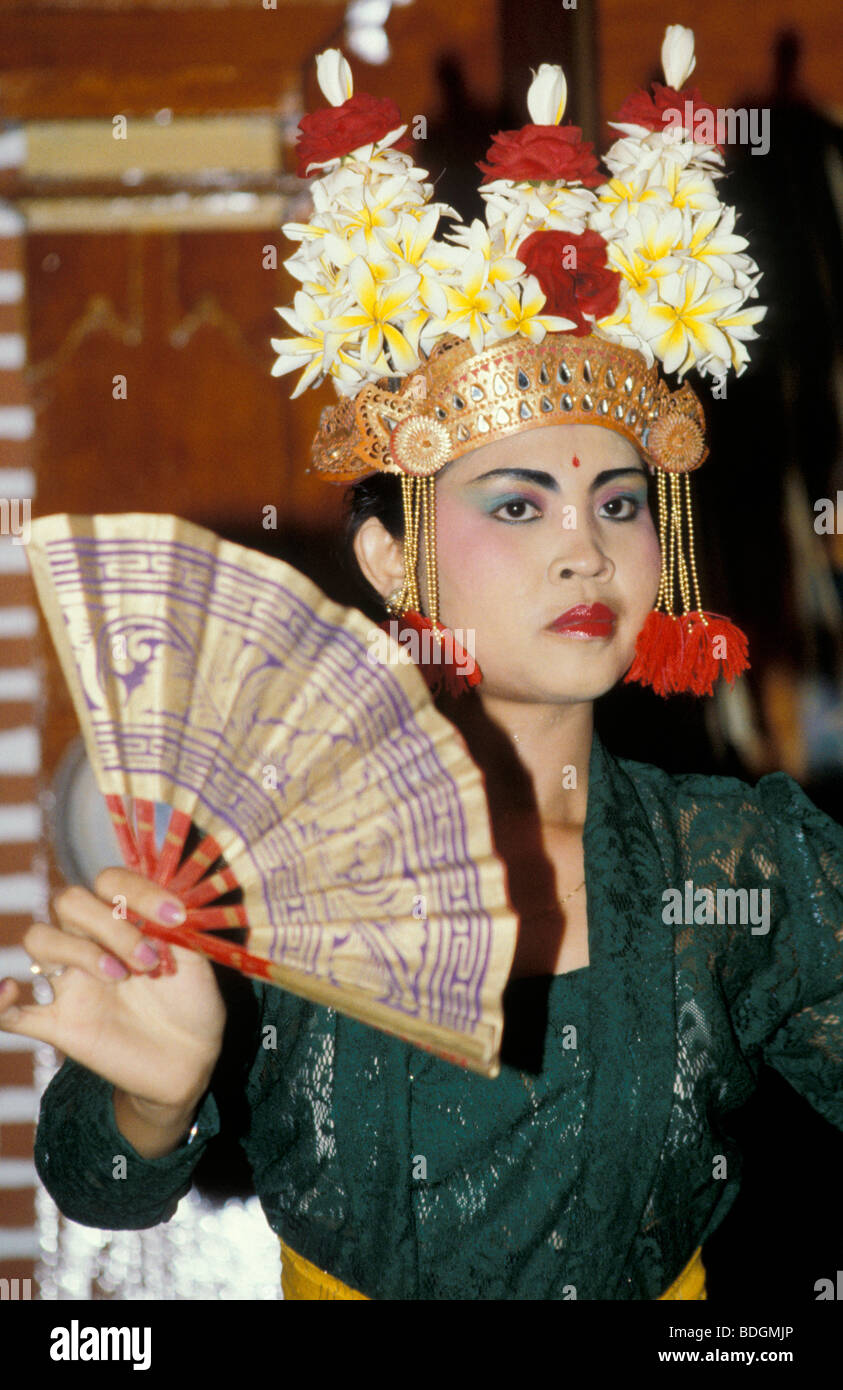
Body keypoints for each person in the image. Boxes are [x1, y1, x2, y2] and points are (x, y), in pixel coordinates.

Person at [4, 28, 842, 1301]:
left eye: (618, 505)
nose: (585, 552)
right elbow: (94, 1184)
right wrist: (152, 1103)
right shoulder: (263, 860)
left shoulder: (741, 862)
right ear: (394, 565)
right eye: (518, 507)